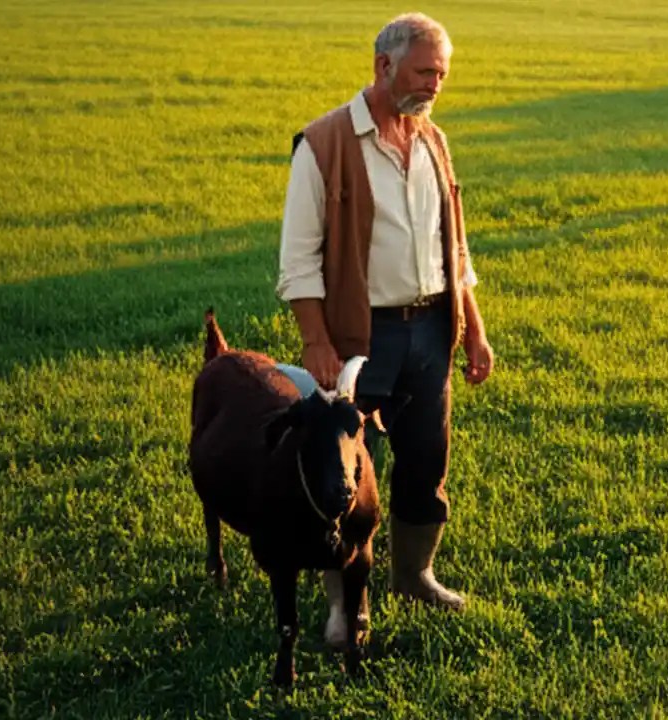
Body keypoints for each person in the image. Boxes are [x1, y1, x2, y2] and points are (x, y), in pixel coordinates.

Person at [276, 12, 494, 635]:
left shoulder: (433, 140)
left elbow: (455, 248)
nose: (435, 84)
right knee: (345, 473)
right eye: (425, 71)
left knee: (427, 458)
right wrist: (316, 340)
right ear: (384, 66)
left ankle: (414, 575)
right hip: (357, 337)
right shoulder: (322, 144)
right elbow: (297, 260)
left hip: (431, 330)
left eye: (442, 74)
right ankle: (346, 599)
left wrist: (472, 327)